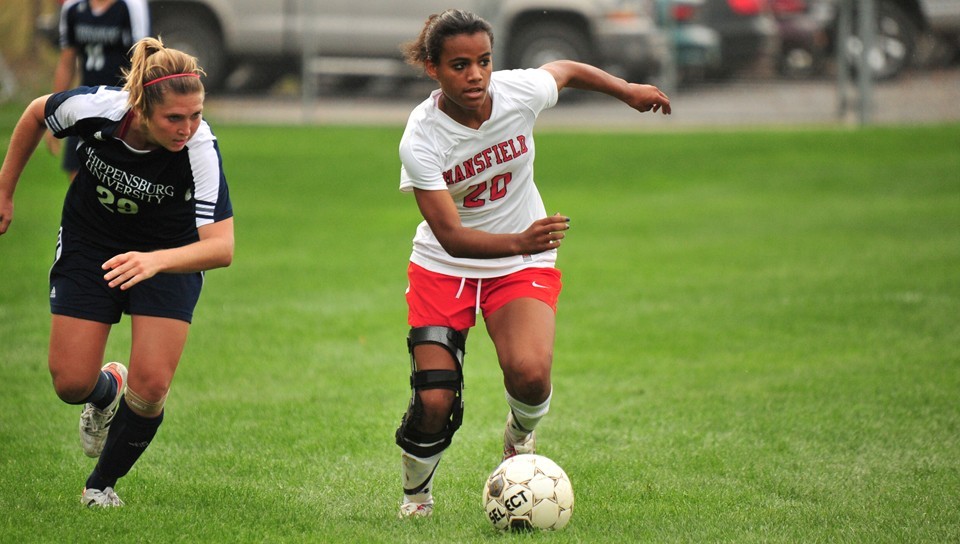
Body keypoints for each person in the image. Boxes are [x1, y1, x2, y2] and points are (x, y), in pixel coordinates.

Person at [393, 9, 670, 518]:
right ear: (433, 69)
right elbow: (452, 238)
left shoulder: (517, 91)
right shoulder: (422, 137)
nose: (475, 75)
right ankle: (416, 497)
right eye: (459, 65)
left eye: (483, 61)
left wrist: (627, 89)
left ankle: (519, 438)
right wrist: (521, 239)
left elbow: (564, 69)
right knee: (433, 400)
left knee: (530, 374)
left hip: (520, 260)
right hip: (445, 265)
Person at [0, 36, 234, 507]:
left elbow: (222, 248)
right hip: (93, 244)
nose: (187, 127)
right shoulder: (98, 109)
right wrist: (5, 192)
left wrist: (155, 261)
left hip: (169, 256)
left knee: (150, 388)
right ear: (142, 107)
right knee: (70, 382)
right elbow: (35, 113)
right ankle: (107, 391)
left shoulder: (200, 148)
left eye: (196, 114)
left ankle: (100, 485)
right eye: (174, 118)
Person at [46, 0, 151, 181]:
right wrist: (52, 114)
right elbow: (66, 63)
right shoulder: (72, 7)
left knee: (121, 182)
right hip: (86, 104)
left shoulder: (132, 5)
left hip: (122, 107)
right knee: (78, 178)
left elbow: (143, 61)